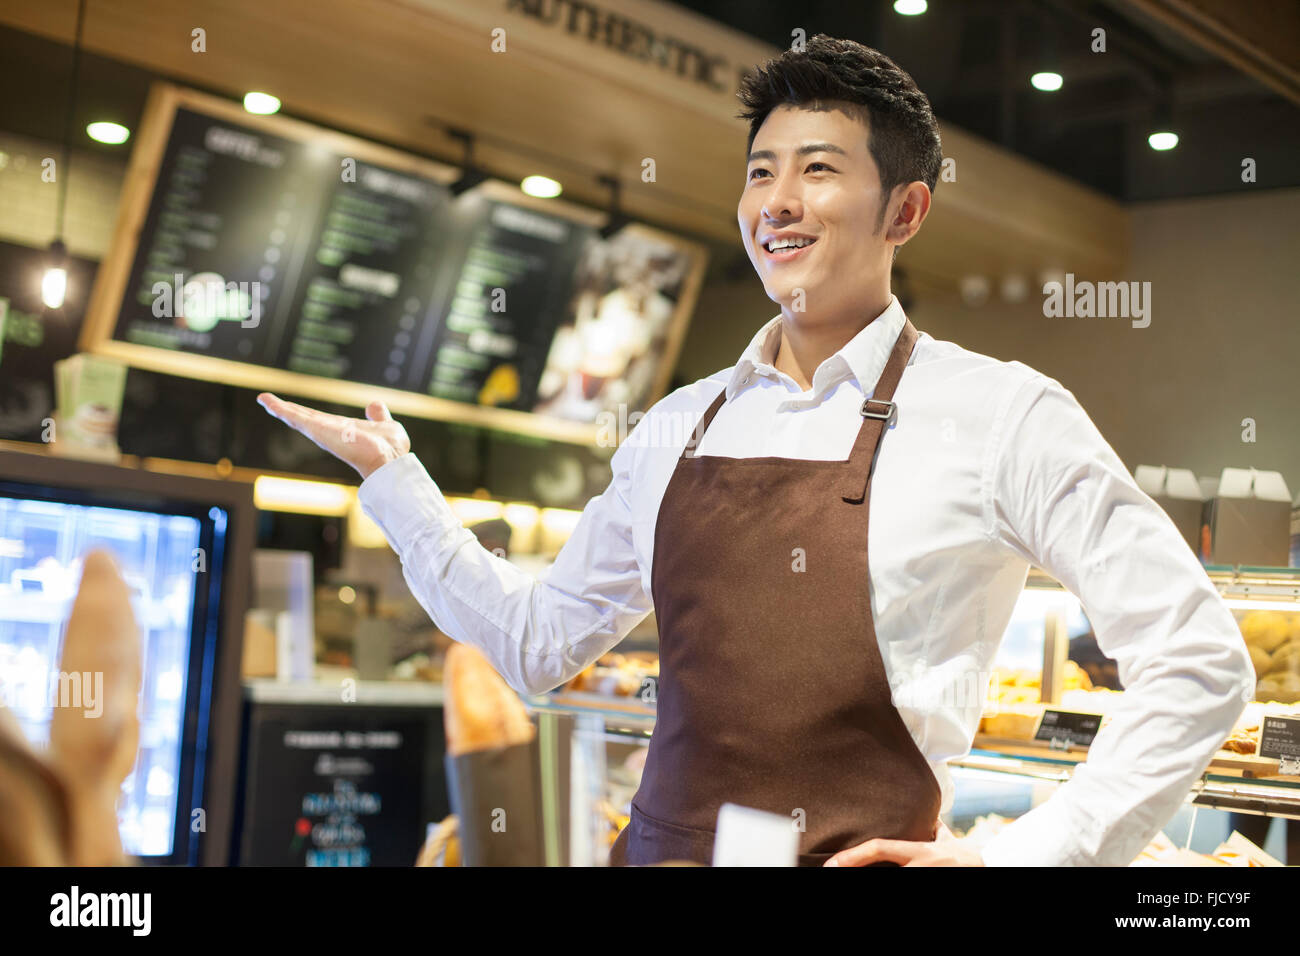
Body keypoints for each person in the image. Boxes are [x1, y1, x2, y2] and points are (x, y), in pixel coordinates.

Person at [258, 35, 1254, 866]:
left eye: (817, 169)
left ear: (904, 210)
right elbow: (534, 646)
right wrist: (396, 480)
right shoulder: (675, 425)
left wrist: (1016, 855)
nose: (775, 200)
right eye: (759, 171)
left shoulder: (1000, 414)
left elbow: (1200, 663)